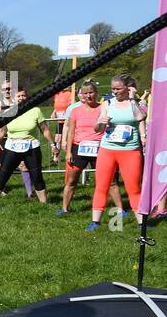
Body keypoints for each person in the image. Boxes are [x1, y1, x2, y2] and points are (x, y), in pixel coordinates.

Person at [88, 73, 147, 230]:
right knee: (101, 185)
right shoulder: (107, 103)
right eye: (112, 88)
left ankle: (142, 224)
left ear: (128, 88)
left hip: (130, 151)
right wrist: (100, 123)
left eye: (118, 89)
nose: (114, 91)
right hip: (108, 150)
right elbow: (97, 128)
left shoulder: (137, 103)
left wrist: (133, 98)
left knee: (133, 187)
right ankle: (95, 222)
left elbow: (141, 117)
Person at [59, 82, 123, 216]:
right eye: (85, 93)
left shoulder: (104, 108)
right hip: (78, 148)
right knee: (71, 181)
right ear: (81, 94)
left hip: (100, 148)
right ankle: (64, 209)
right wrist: (69, 151)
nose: (88, 96)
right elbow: (71, 132)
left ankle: (120, 210)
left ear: (96, 93)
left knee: (110, 181)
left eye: (91, 92)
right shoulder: (75, 110)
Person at [0, 87, 57, 206]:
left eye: (23, 95)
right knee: (3, 175)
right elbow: (1, 132)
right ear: (13, 98)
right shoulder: (8, 112)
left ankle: (44, 205)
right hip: (12, 147)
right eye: (18, 96)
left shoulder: (35, 111)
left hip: (31, 147)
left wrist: (53, 144)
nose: (21, 98)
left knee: (37, 176)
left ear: (27, 96)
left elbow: (45, 130)